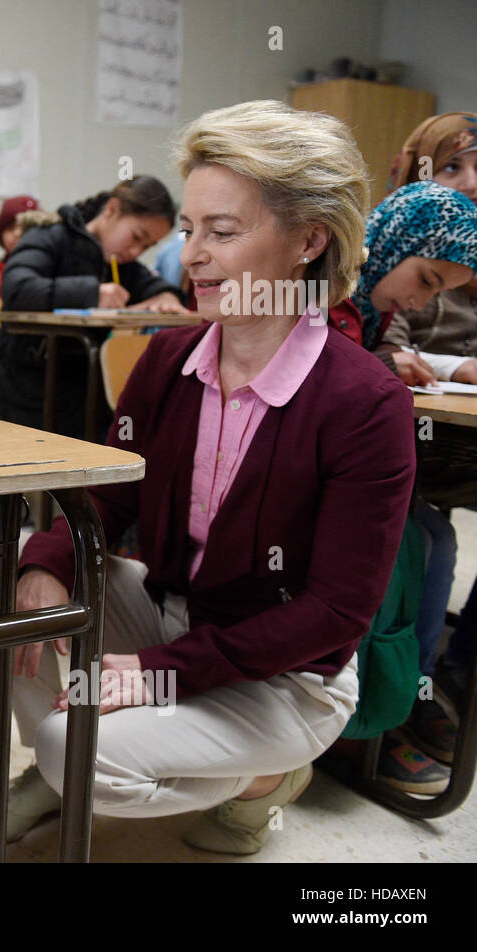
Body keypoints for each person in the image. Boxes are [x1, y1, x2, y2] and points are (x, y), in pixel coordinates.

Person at [0, 100, 416, 855]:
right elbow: (106, 497)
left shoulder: (366, 404)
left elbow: (333, 615)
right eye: (189, 231)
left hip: (286, 677)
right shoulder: (171, 361)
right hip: (178, 618)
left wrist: (154, 671)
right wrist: (48, 562)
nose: (193, 255)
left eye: (223, 232)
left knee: (74, 748)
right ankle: (70, 756)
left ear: (309, 240)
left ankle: (264, 781)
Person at [359, 147, 477, 789]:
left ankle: (408, 692)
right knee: (425, 541)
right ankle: (387, 706)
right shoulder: (328, 288)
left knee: (432, 535)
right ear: (399, 240)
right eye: (427, 280)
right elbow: (319, 364)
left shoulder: (373, 305)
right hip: (288, 475)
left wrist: (385, 358)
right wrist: (381, 364)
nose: (420, 299)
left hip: (345, 461)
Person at [0, 175, 189, 439]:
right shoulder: (50, 234)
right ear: (112, 209)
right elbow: (17, 288)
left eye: (147, 246)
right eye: (136, 237)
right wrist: (91, 293)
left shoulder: (119, 262)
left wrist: (167, 296)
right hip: (27, 390)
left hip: (84, 395)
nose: (136, 251)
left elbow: (151, 283)